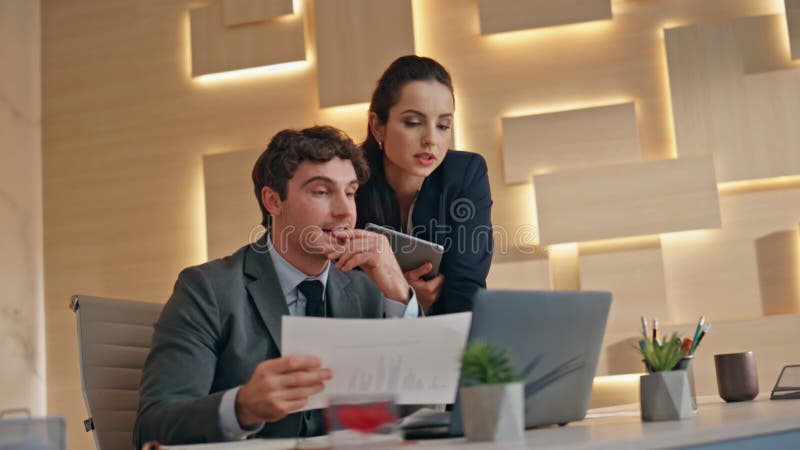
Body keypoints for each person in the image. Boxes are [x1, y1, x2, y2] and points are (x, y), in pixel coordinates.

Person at [133, 126, 420, 447]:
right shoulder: (207, 289)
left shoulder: (367, 288)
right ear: (272, 200)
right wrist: (241, 408)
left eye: (350, 192)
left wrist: (399, 294)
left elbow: (414, 411)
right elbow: (153, 426)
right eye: (322, 192)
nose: (345, 211)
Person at [356, 55, 493, 315]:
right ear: (377, 126)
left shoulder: (466, 174)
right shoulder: (346, 179)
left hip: (443, 335)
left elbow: (466, 287)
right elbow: (336, 287)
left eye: (443, 125)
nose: (431, 139)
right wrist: (400, 297)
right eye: (413, 123)